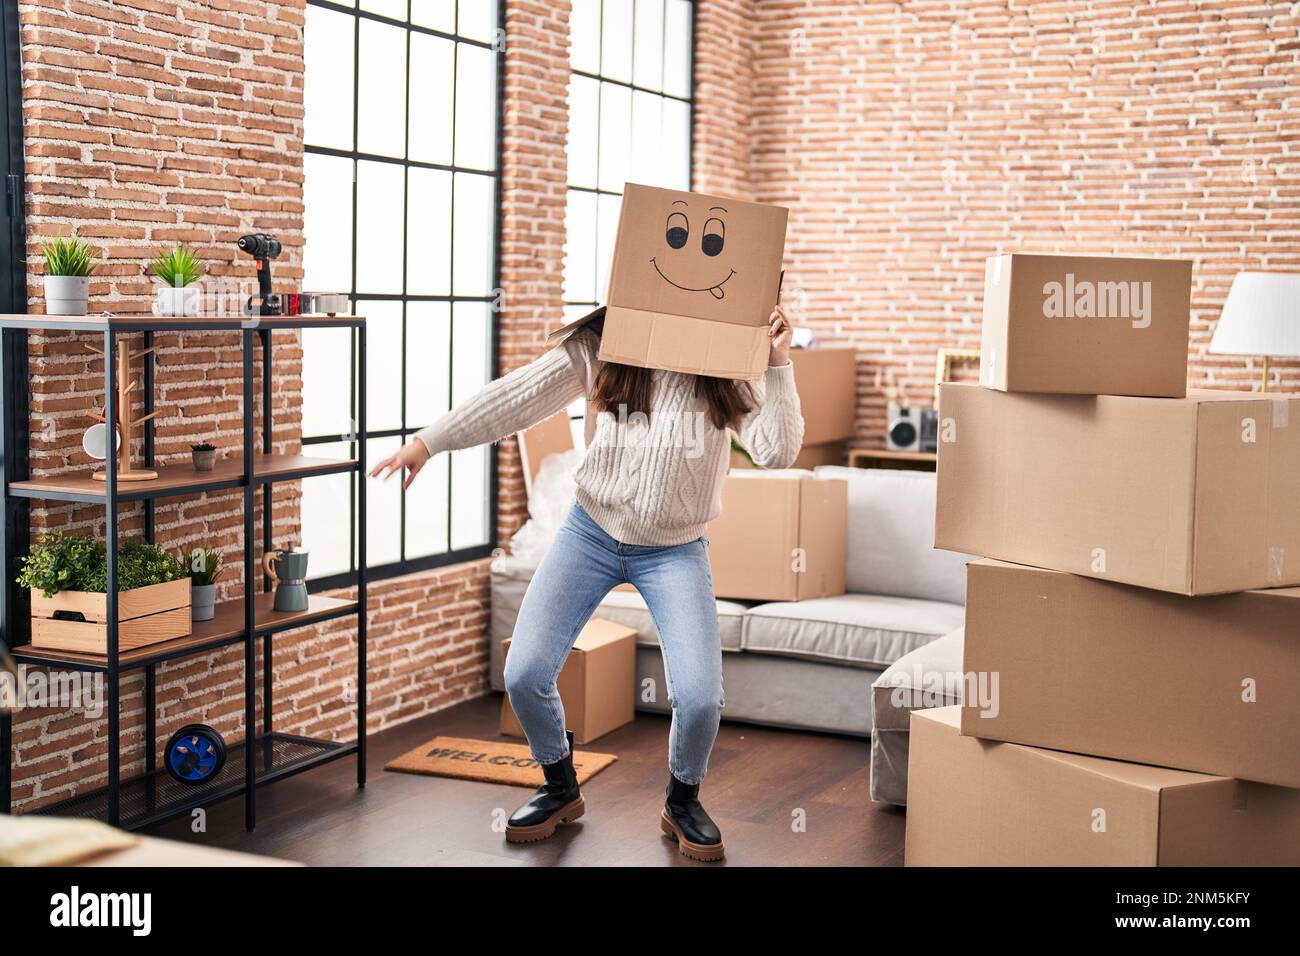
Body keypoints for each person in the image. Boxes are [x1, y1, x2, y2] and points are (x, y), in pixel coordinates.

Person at [370, 305, 803, 861]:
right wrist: (429, 441)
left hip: (675, 550)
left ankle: (682, 799)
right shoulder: (608, 343)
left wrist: (777, 362)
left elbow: (777, 450)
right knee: (524, 674)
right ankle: (559, 785)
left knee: (699, 700)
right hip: (590, 532)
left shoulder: (730, 361)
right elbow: (517, 396)